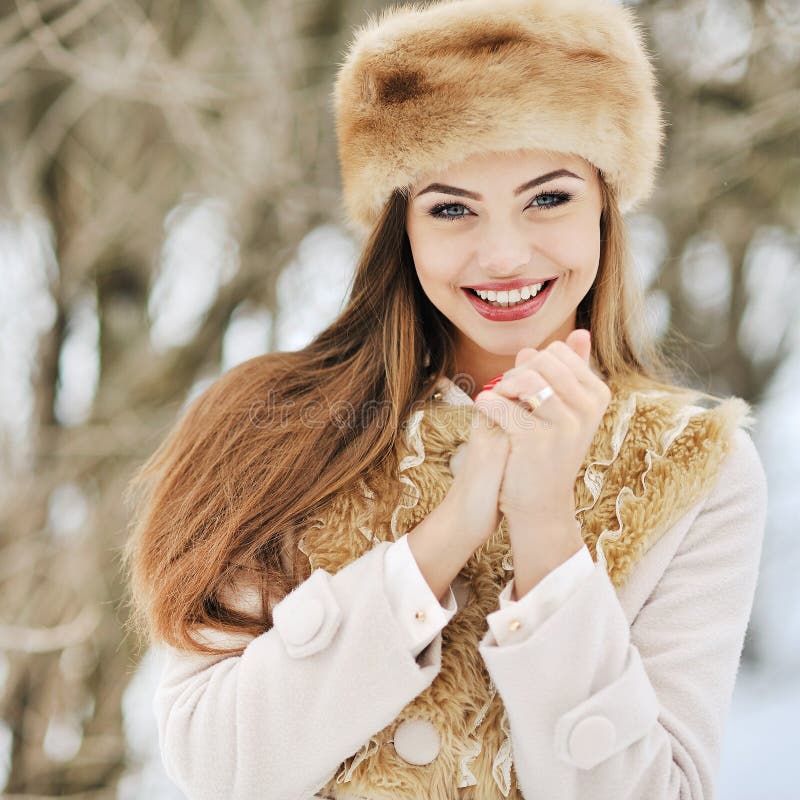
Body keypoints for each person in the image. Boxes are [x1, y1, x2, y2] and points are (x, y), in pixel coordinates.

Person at [122, 0, 768, 797]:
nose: (503, 254)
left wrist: (544, 528)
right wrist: (449, 531)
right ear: (403, 226)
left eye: (548, 198)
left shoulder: (694, 469)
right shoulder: (271, 426)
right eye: (453, 208)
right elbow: (217, 769)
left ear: (606, 201)